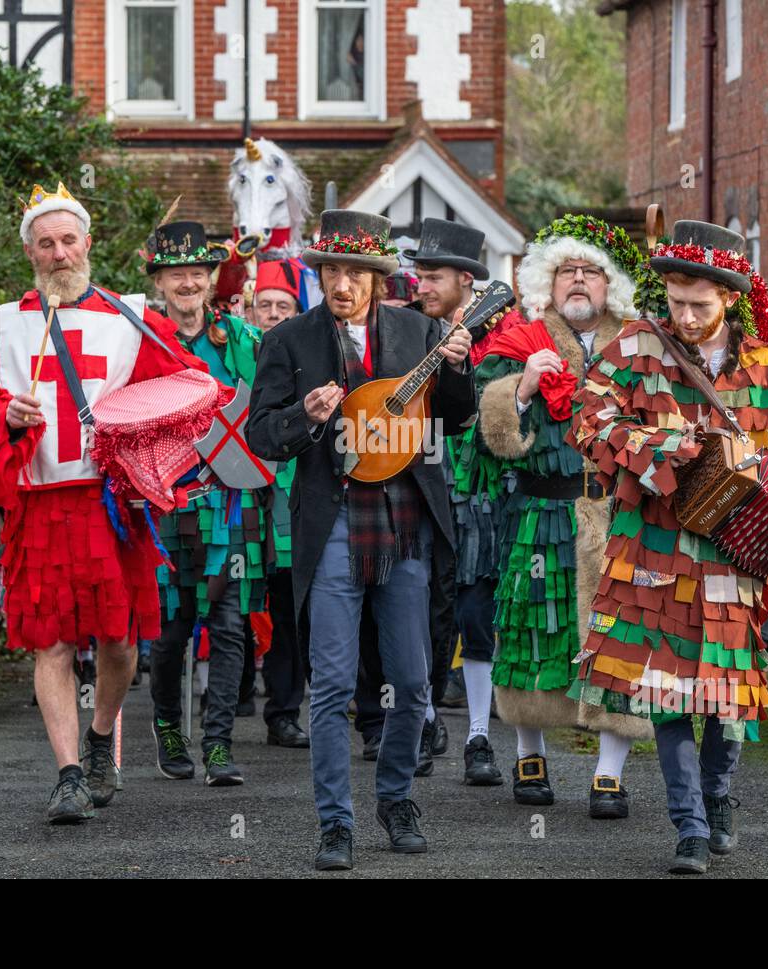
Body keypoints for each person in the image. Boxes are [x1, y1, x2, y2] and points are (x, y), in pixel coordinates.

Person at [567, 220, 768, 873]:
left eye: (700, 305)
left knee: (729, 695)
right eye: (676, 302)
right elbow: (587, 419)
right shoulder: (638, 346)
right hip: (652, 549)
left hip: (738, 556)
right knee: (667, 690)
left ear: (729, 298)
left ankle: (717, 797)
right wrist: (665, 454)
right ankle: (690, 827)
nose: (686, 316)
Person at [0, 182, 210, 823]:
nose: (59, 253)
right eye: (46, 244)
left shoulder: (132, 319)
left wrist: (151, 458)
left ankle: (100, 737)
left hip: (110, 505)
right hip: (40, 508)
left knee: (119, 642)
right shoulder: (1, 327)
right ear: (31, 253)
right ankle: (67, 773)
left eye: (69, 241)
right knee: (53, 644)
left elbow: (177, 397)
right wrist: (5, 417)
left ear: (86, 245)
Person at [247, 209, 476, 871]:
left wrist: (458, 368)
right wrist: (303, 415)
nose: (341, 283)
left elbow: (455, 420)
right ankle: (335, 823)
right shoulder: (290, 339)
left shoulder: (421, 330)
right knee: (332, 684)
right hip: (335, 523)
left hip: (404, 521)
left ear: (380, 277)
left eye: (355, 271)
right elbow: (263, 435)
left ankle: (396, 796)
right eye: (330, 271)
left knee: (411, 682)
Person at [476, 216, 661, 815]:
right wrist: (522, 390)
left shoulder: (639, 348)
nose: (578, 282)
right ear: (547, 285)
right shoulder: (515, 341)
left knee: (621, 641)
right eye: (566, 272)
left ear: (610, 287)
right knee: (535, 633)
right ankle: (530, 752)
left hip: (616, 515)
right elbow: (490, 442)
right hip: (541, 509)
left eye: (591, 273)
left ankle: (609, 774)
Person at [145, 217, 268, 787]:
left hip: (229, 500)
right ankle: (170, 729)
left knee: (229, 624)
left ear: (212, 278)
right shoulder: (141, 338)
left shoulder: (240, 339)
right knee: (172, 628)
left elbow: (264, 405)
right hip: (164, 501)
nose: (188, 283)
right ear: (160, 281)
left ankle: (218, 745)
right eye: (176, 274)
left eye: (197, 272)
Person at [405, 217, 516, 785]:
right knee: (417, 613)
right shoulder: (401, 331)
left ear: (466, 284)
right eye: (418, 273)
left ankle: (478, 735)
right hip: (413, 491)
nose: (419, 283)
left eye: (432, 276)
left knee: (474, 616)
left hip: (478, 498)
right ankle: (423, 721)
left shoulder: (504, 342)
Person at [249, 260, 310, 749]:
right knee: (247, 608)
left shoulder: (307, 350)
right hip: (247, 499)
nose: (273, 314)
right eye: (265, 306)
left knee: (296, 609)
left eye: (282, 306)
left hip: (297, 495)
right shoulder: (237, 350)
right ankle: (264, 707)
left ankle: (290, 709)